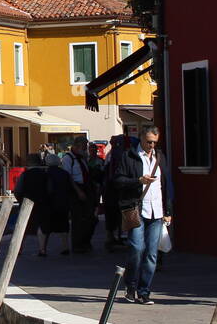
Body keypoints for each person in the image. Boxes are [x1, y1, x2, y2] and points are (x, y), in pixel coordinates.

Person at [112, 125, 173, 305]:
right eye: (148, 142)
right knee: (137, 249)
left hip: (156, 211)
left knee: (152, 254)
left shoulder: (160, 157)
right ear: (141, 138)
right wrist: (138, 181)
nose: (151, 146)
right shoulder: (130, 156)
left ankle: (144, 291)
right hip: (136, 208)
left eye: (154, 142)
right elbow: (117, 181)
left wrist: (168, 210)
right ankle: (130, 286)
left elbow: (165, 185)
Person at [62, 136, 98, 253]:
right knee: (78, 219)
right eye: (84, 146)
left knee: (91, 217)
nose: (85, 149)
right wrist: (78, 191)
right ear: (77, 146)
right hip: (76, 189)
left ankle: (85, 241)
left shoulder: (82, 158)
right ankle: (78, 245)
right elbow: (68, 177)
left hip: (87, 188)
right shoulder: (68, 158)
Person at [101, 134, 130, 249]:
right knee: (116, 214)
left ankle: (112, 237)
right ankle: (115, 237)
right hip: (116, 190)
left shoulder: (111, 155)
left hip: (111, 189)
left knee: (112, 214)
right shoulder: (120, 155)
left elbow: (106, 172)